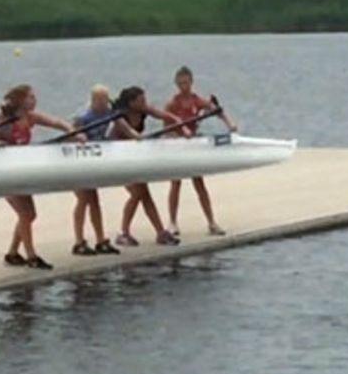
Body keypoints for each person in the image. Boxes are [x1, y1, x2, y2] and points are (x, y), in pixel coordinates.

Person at [0, 85, 77, 269]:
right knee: (26, 214)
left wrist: (71, 131)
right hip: (7, 173)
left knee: (29, 214)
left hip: (22, 172)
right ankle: (31, 256)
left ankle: (13, 253)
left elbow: (56, 122)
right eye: (31, 97)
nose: (34, 100)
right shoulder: (5, 121)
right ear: (21, 100)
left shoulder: (31, 117)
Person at [110, 86, 188, 247]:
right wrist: (143, 140)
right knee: (138, 193)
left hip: (133, 158)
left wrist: (181, 125)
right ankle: (122, 233)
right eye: (141, 101)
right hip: (117, 158)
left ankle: (160, 233)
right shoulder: (120, 117)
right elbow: (131, 133)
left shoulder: (144, 110)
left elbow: (165, 115)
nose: (145, 103)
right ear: (132, 103)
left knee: (144, 194)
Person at [165, 66, 238, 237]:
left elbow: (217, 111)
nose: (184, 86)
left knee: (200, 185)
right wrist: (178, 136)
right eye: (181, 83)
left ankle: (211, 223)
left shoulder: (197, 101)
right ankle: (172, 223)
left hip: (193, 146)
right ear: (176, 84)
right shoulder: (172, 104)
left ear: (191, 82)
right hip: (177, 146)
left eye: (186, 82)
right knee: (176, 184)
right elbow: (166, 128)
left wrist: (230, 124)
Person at [70, 85, 121, 256]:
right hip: (79, 162)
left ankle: (100, 240)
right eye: (100, 100)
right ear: (93, 100)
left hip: (94, 162)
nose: (104, 103)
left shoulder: (109, 112)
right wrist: (78, 135)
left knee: (94, 201)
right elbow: (72, 131)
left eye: (106, 100)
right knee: (83, 199)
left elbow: (121, 125)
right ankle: (79, 241)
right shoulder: (84, 116)